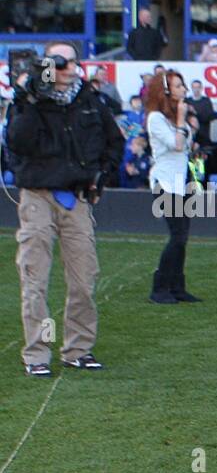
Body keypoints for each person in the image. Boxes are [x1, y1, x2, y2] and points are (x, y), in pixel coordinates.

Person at [4, 41, 123, 376]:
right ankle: (39, 352)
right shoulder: (28, 101)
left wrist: (101, 176)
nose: (66, 69)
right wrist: (30, 98)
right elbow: (17, 142)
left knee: (84, 279)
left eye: (70, 62)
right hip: (37, 196)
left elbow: (115, 142)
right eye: (57, 63)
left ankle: (77, 349)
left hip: (77, 197)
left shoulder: (89, 101)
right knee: (36, 280)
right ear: (45, 65)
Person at [145, 68, 201, 304]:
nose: (184, 90)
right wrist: (181, 120)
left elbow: (185, 147)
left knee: (183, 236)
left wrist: (189, 126)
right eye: (178, 86)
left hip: (182, 180)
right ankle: (160, 287)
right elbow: (176, 145)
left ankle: (177, 286)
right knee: (177, 236)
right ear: (166, 90)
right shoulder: (155, 118)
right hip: (165, 181)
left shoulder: (174, 117)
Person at [187, 79, 215, 148]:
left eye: (198, 87)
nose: (196, 90)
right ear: (191, 88)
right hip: (190, 137)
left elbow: (210, 117)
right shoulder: (187, 101)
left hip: (204, 137)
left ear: (201, 88)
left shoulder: (206, 101)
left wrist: (195, 112)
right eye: (194, 87)